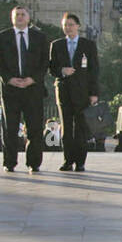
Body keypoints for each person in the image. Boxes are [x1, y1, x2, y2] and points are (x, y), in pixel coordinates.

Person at [0, 5, 48, 173]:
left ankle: (34, 162)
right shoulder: (2, 37)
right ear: (12, 18)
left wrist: (32, 79)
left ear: (28, 17)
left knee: (34, 128)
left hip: (33, 88)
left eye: (22, 14)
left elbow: (45, 62)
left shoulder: (39, 37)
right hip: (11, 89)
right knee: (10, 128)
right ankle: (9, 162)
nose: (19, 17)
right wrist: (9, 79)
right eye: (16, 15)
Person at [48, 13, 99, 171]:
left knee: (81, 127)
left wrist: (94, 93)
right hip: (64, 91)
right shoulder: (57, 45)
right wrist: (62, 71)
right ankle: (68, 160)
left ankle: (80, 161)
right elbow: (51, 68)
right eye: (65, 25)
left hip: (82, 92)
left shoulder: (88, 45)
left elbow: (94, 70)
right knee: (67, 127)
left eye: (71, 24)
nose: (68, 28)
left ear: (78, 26)